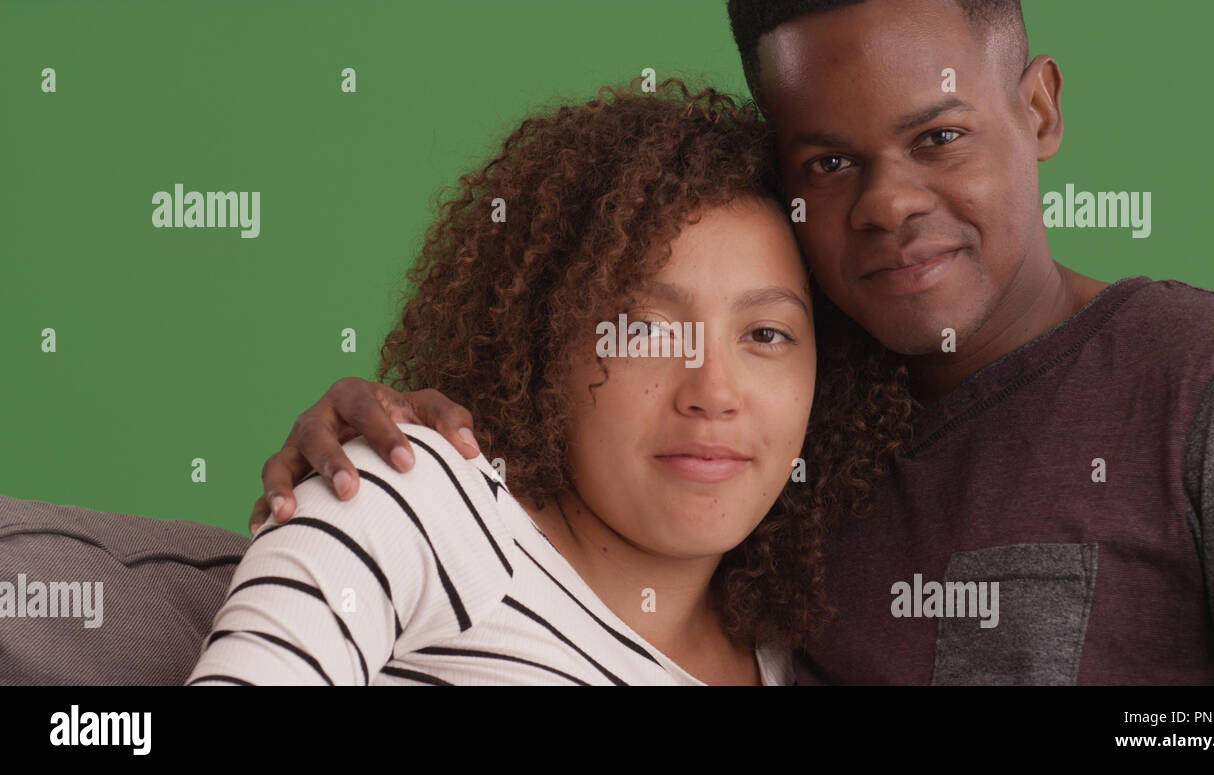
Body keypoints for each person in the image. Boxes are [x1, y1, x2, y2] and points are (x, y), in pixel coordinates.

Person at [251, 0, 1214, 685]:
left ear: (1038, 108)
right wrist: (383, 450)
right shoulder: (785, 471)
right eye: (831, 162)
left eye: (938, 137)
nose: (889, 202)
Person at [189, 78, 911, 685]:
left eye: (765, 334)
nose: (712, 390)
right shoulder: (408, 499)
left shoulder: (800, 650)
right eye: (645, 329)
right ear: (544, 343)